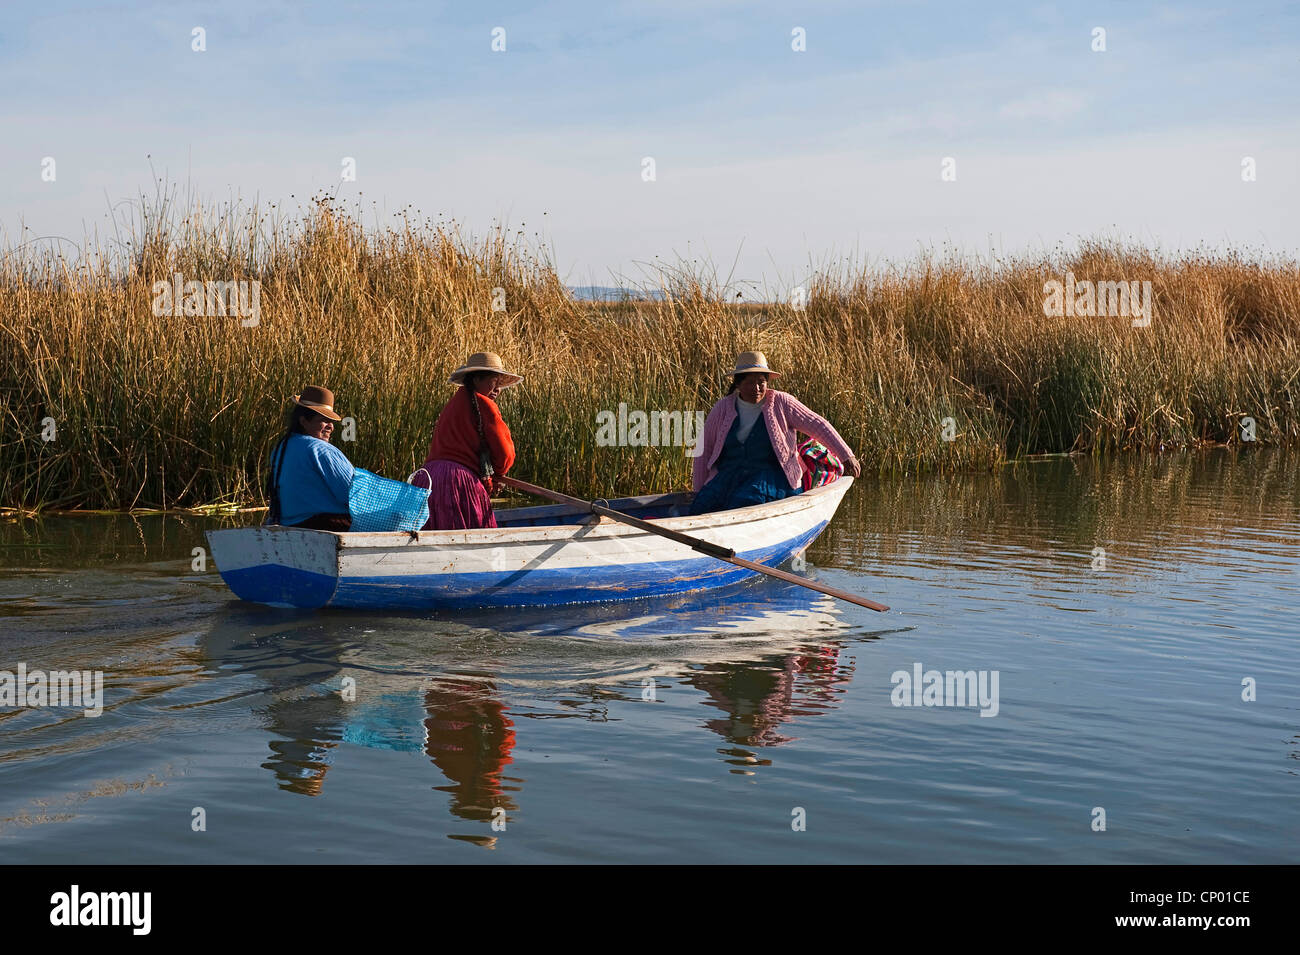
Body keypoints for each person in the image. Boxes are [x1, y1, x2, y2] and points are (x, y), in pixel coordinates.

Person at [689, 351, 862, 515]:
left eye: (761, 382)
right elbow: (704, 449)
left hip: (772, 476)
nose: (756, 388)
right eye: (750, 382)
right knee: (700, 506)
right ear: (738, 384)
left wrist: (847, 456)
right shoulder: (723, 408)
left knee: (744, 502)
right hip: (729, 476)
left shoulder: (781, 402)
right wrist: (698, 491)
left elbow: (818, 424)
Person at [413, 352, 520, 530]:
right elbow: (505, 453)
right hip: (458, 483)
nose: (498, 389)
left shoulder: (452, 404)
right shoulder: (485, 405)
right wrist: (499, 472)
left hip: (428, 480)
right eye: (495, 381)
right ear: (477, 379)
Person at [266, 386, 355, 531]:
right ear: (304, 421)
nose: (331, 427)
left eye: (331, 421)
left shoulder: (281, 447)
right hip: (324, 524)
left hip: (288, 524)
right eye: (324, 420)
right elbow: (353, 495)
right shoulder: (320, 449)